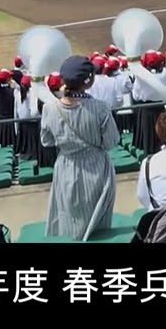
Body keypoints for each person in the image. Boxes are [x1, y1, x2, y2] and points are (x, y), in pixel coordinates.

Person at [40, 56, 121, 240]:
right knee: (97, 224)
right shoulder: (100, 108)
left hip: (66, 165)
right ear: (89, 81)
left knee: (71, 218)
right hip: (96, 166)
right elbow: (111, 142)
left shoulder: (49, 108)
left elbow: (47, 141)